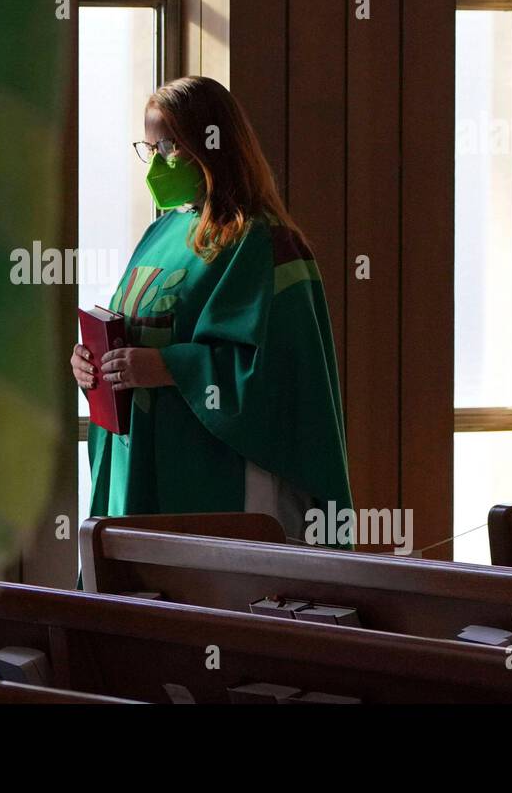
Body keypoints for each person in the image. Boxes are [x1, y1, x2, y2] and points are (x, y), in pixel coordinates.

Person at [72, 76, 353, 540]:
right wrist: (94, 366)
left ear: (212, 144)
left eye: (169, 148)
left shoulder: (263, 242)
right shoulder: (161, 234)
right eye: (150, 149)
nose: (157, 164)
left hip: (214, 472)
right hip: (140, 458)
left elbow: (277, 373)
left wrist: (168, 366)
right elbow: (134, 329)